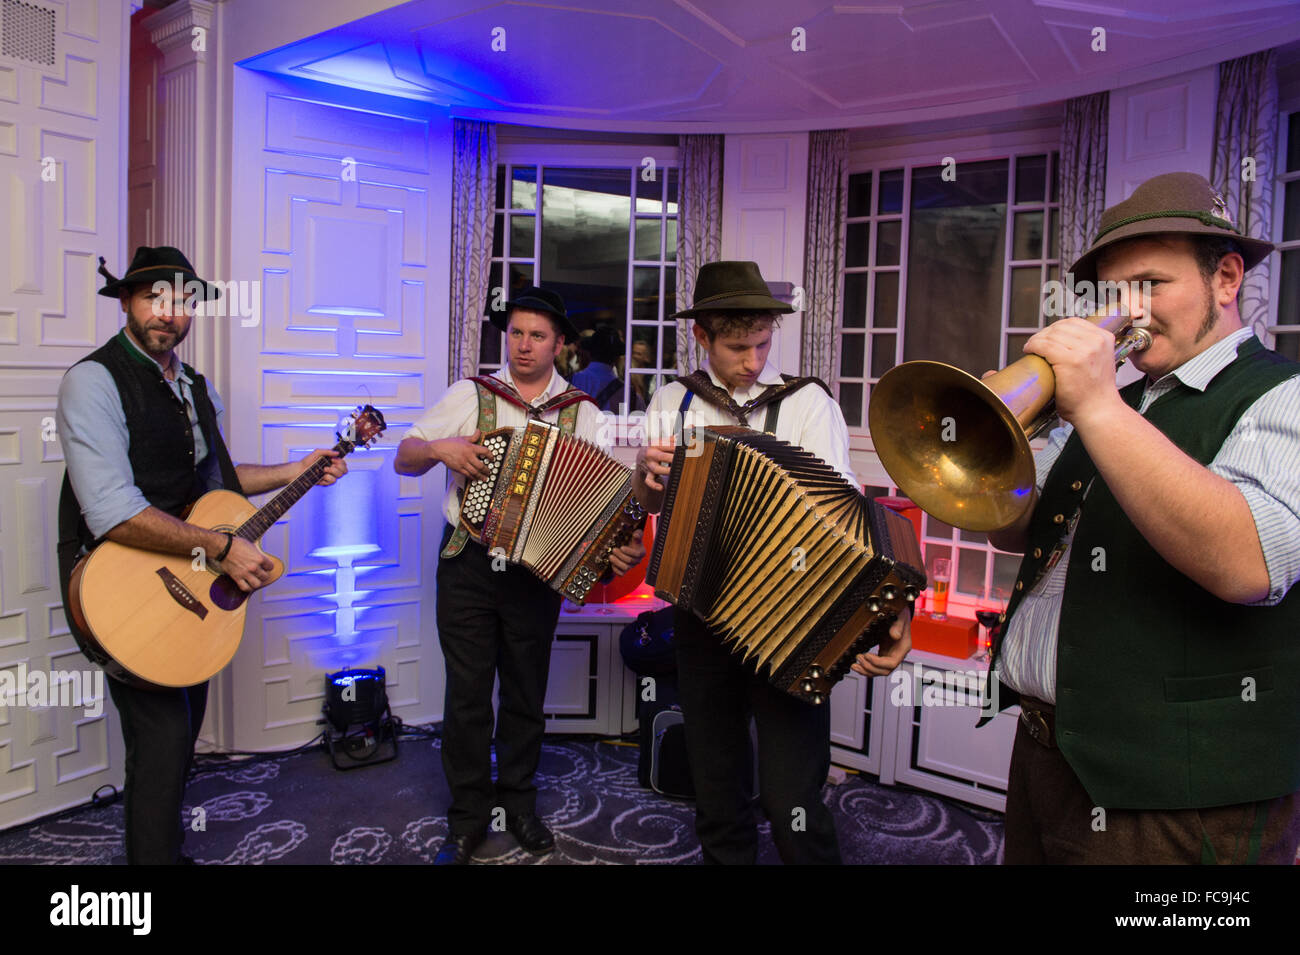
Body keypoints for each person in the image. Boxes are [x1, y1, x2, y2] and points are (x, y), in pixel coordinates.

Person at [983, 172, 1300, 864]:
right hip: (1048, 755)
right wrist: (993, 452)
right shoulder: (1115, 404)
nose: (1128, 312)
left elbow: (1249, 562)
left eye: (1150, 284)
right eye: (1113, 293)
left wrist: (1095, 405)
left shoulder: (1282, 395)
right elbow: (1015, 531)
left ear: (1225, 278)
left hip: (1179, 798)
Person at [56, 246, 348, 865]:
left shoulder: (193, 386)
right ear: (128, 303)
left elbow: (216, 486)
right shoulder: (93, 380)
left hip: (184, 574)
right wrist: (222, 547)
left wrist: (298, 469)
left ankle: (160, 854)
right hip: (114, 582)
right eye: (153, 297)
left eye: (181, 300)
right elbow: (111, 509)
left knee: (181, 734)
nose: (168, 312)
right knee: (161, 739)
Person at [633, 260, 913, 864]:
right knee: (715, 775)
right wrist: (644, 478)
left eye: (762, 344)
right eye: (737, 346)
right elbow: (652, 504)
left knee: (793, 791)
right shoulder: (670, 400)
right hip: (699, 611)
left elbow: (841, 516)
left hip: (794, 615)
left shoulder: (810, 403)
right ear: (701, 337)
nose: (753, 361)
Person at [396, 286, 645, 865]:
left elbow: (614, 498)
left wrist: (619, 550)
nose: (524, 345)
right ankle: (466, 820)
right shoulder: (471, 394)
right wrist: (441, 447)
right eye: (516, 333)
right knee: (467, 698)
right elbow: (403, 457)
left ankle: (519, 806)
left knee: (526, 693)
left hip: (536, 573)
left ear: (560, 345)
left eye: (537, 336)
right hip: (468, 565)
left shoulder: (583, 412)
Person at [570, 324, 627, 412]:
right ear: (617, 358)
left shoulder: (568, 382)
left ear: (589, 352)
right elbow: (628, 418)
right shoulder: (627, 394)